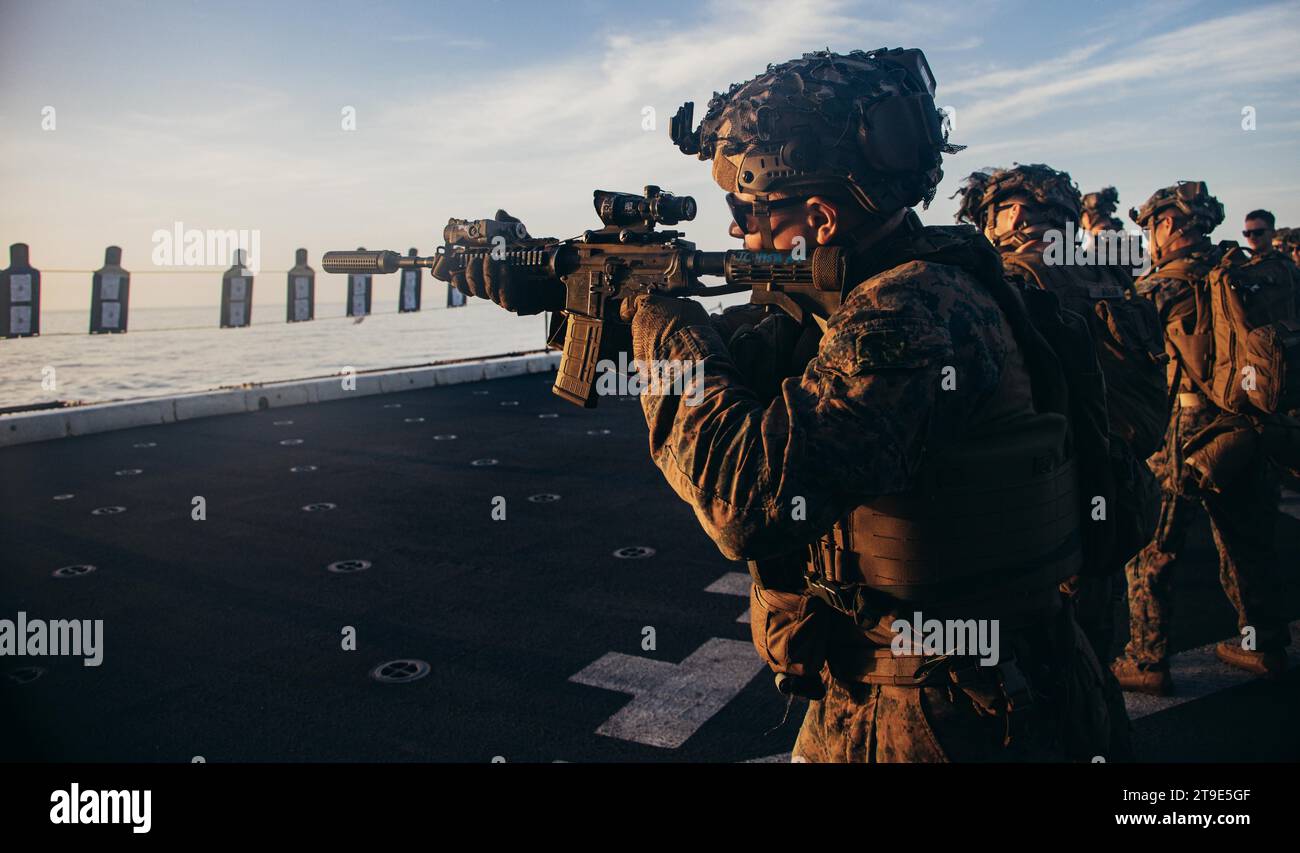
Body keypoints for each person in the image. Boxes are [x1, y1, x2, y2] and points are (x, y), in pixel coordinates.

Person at [444, 48, 1117, 762]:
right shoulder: (890, 284)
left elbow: (747, 496)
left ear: (821, 218)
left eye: (747, 209)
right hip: (901, 687)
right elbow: (731, 360)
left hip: (950, 713)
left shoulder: (910, 311)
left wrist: (656, 315)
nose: (735, 231)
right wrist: (558, 288)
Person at [952, 165, 1165, 681]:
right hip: (1115, 478)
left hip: (1041, 502)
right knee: (1091, 654)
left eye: (991, 215)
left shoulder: (1012, 281)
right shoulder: (1106, 275)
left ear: (1013, 214)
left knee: (1034, 669)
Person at [1112, 182, 1291, 695]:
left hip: (1186, 431)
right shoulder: (1248, 274)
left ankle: (1146, 659)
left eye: (1150, 227)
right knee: (1248, 541)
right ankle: (1263, 645)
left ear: (1167, 225)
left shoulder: (1160, 288)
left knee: (1153, 548)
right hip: (1251, 426)